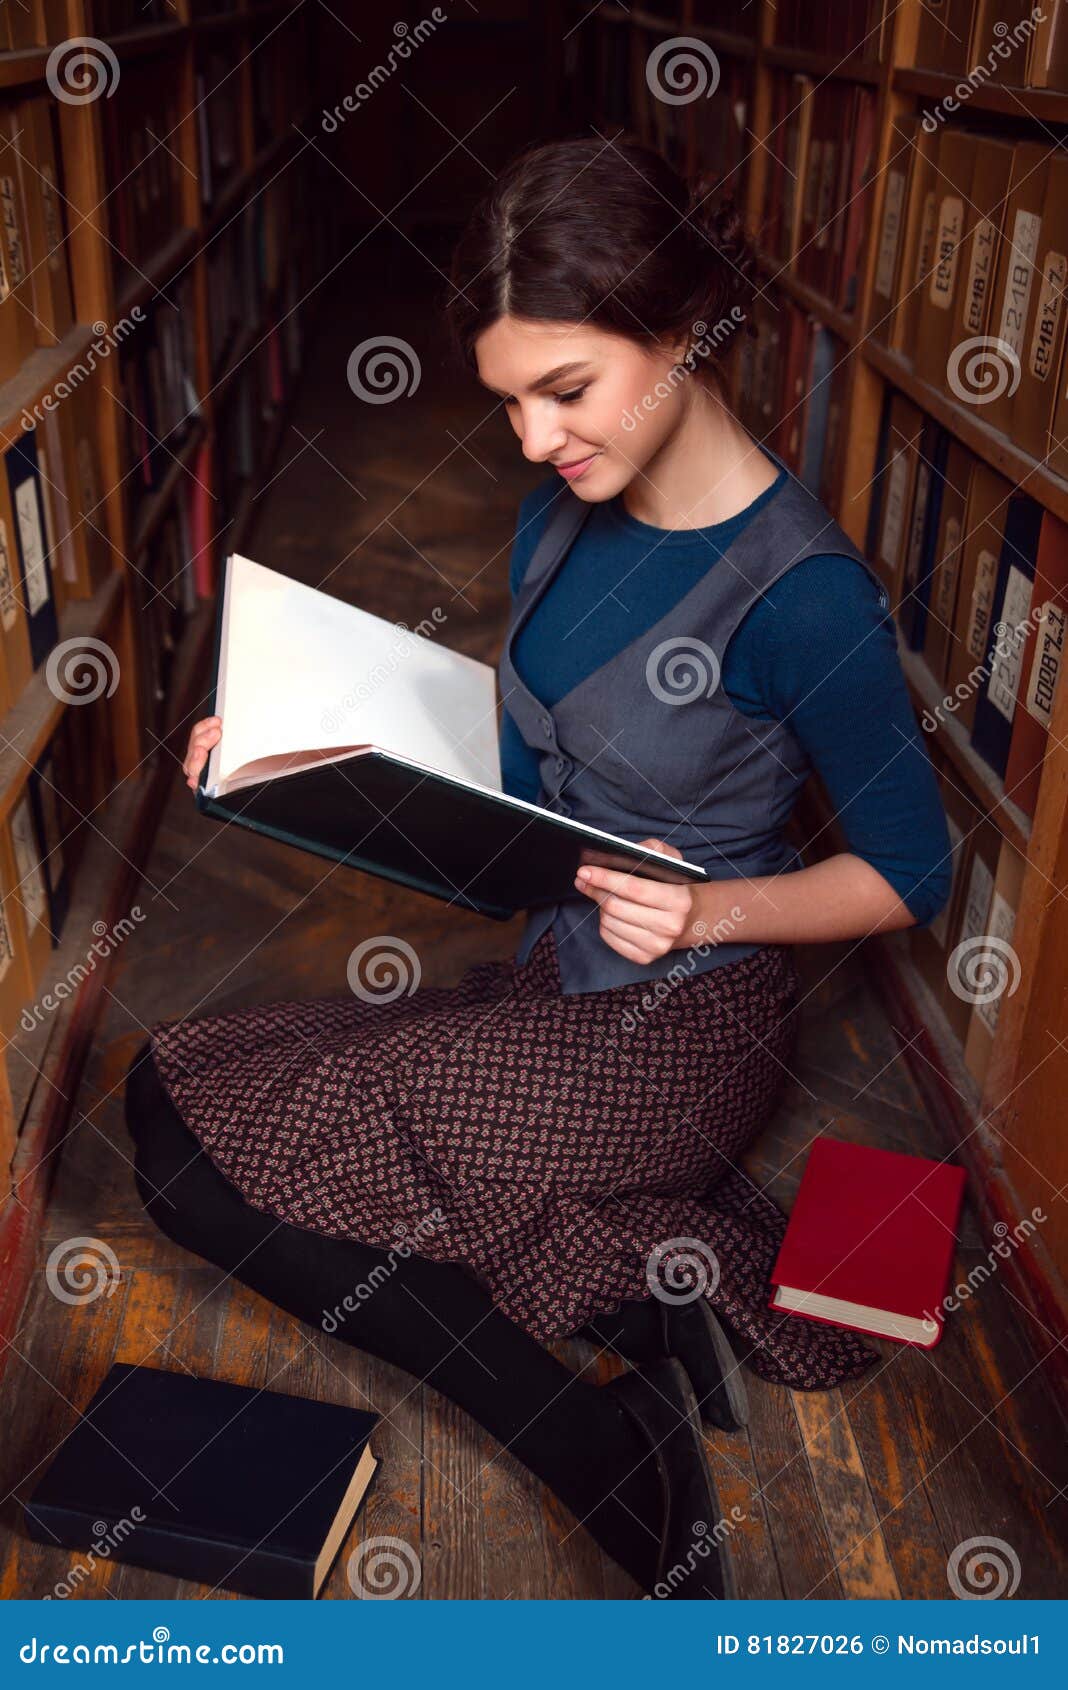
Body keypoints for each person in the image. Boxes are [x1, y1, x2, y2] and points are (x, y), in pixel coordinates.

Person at [125, 136, 952, 1599]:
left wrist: (713, 903)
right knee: (163, 1091)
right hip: (549, 978)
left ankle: (587, 1442)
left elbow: (910, 866)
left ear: (683, 329)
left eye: (563, 390)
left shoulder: (807, 595)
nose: (530, 438)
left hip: (684, 1029)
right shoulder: (558, 511)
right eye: (507, 399)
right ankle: (629, 1313)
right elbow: (516, 803)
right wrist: (289, 758)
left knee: (211, 1182)